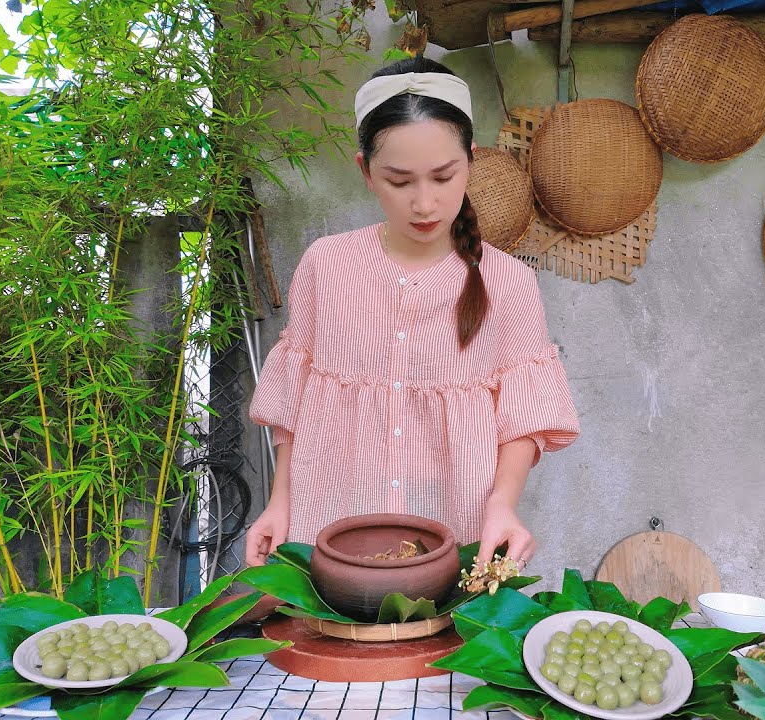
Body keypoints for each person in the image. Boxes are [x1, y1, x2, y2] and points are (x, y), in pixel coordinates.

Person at [244, 56, 580, 574]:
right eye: (399, 181)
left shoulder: (509, 282)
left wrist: (503, 504)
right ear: (365, 171)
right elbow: (294, 400)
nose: (425, 203)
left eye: (444, 176)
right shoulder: (326, 266)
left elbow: (524, 417)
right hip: (327, 530)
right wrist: (278, 502)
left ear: (471, 161)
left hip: (453, 538)